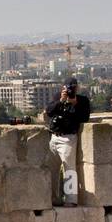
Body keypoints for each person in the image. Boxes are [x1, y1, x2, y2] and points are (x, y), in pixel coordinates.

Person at [44, 77, 91, 207]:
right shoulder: (57, 97)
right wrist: (61, 101)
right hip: (54, 137)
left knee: (69, 169)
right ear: (63, 88)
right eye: (68, 87)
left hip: (68, 138)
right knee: (52, 169)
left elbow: (84, 117)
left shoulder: (82, 101)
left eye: (73, 87)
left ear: (77, 88)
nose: (70, 90)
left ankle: (71, 199)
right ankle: (54, 198)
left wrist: (75, 104)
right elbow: (49, 111)